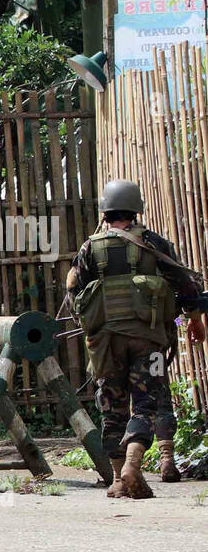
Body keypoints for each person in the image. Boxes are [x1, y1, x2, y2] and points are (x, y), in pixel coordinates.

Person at [67, 179, 205, 497]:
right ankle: (133, 466)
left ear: (105, 213)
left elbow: (74, 294)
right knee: (148, 403)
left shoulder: (90, 248)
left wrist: (94, 326)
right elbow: (185, 286)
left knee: (111, 407)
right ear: (136, 211)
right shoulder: (154, 244)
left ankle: (118, 478)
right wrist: (195, 320)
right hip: (151, 342)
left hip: (105, 344)